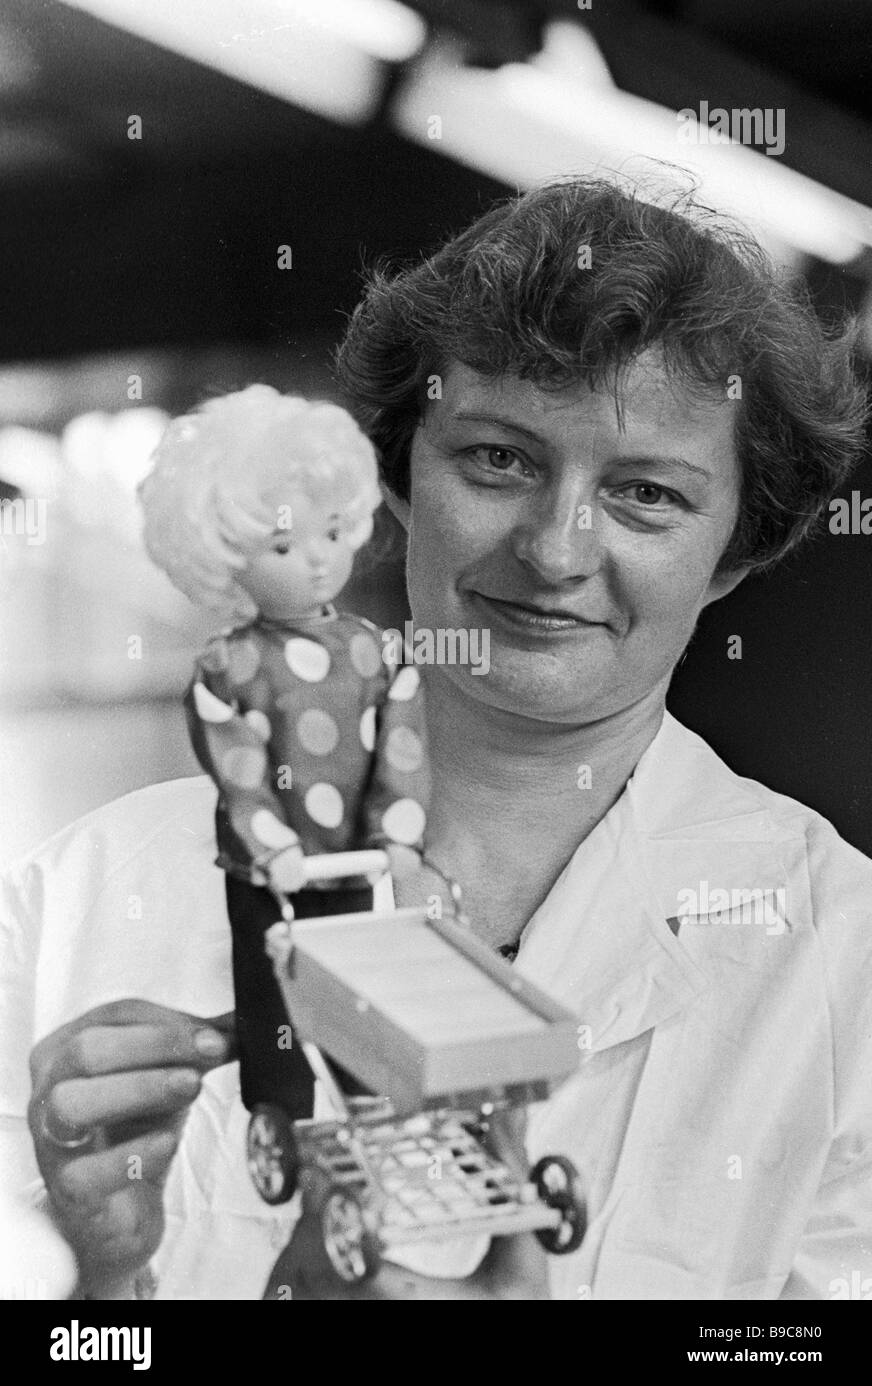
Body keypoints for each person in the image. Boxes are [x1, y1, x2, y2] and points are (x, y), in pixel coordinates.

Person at [4, 176, 870, 1300]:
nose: (556, 552)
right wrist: (101, 1281)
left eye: (645, 494)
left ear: (731, 559)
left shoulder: (840, 961)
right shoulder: (83, 900)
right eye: (497, 460)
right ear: (398, 477)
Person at [137, 387, 428, 1149]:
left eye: (332, 533)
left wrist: (398, 832)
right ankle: (282, 1111)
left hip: (355, 861)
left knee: (358, 982)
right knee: (274, 987)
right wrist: (272, 848)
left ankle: (367, 1097)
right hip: (273, 872)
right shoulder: (229, 666)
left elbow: (400, 748)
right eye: (283, 546)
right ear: (223, 560)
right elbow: (239, 767)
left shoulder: (374, 650)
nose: (319, 559)